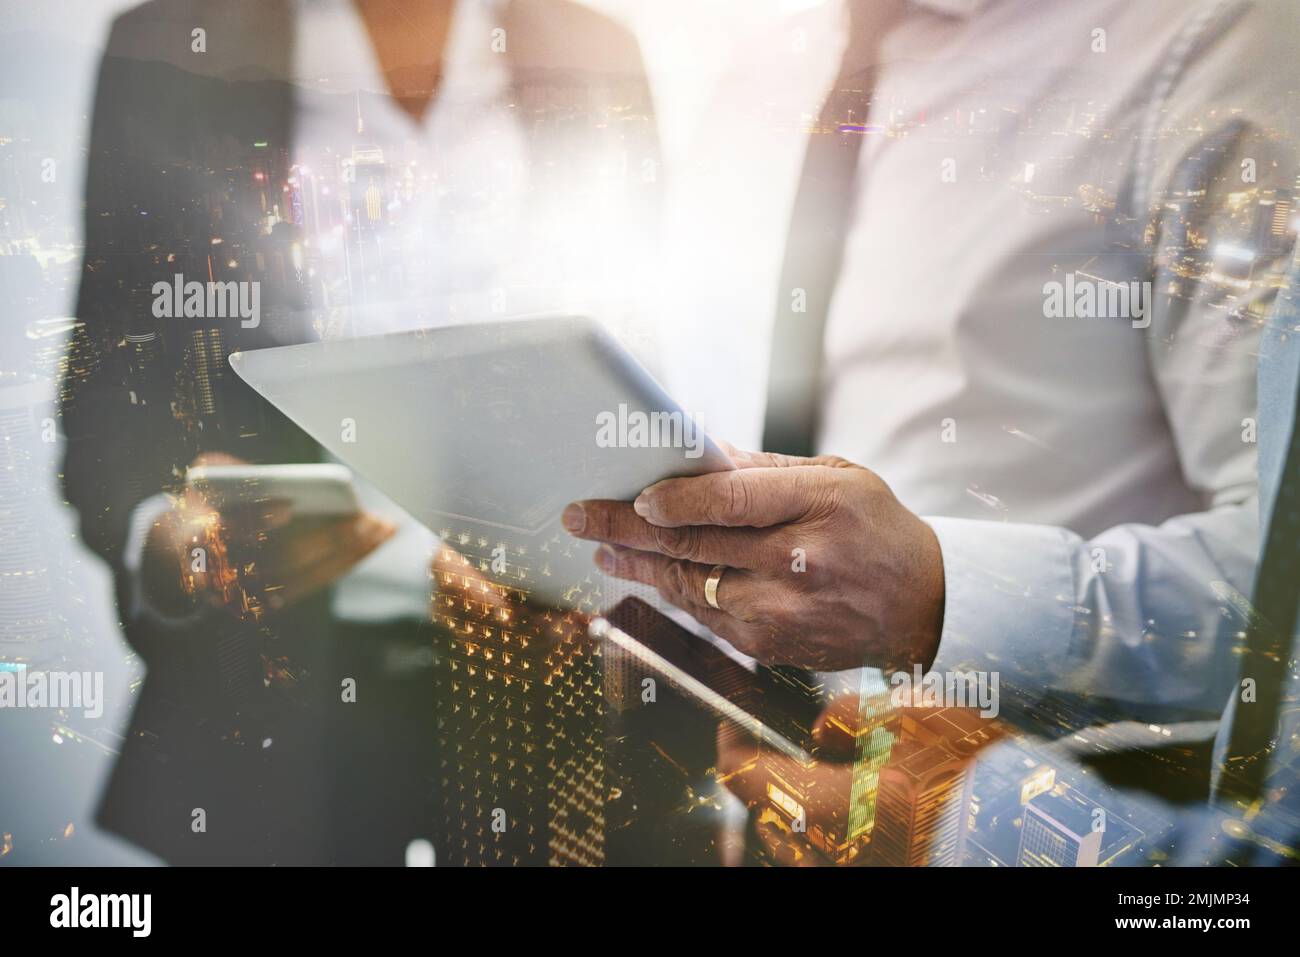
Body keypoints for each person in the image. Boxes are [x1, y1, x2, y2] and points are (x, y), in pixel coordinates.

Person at [568, 0, 1300, 798]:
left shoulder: (1213, 41)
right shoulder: (758, 71)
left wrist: (937, 601)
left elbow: (1276, 598)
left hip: (1061, 825)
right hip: (759, 803)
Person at [63, 0, 658, 864]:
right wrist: (173, 536)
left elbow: (632, 383)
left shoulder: (597, 52)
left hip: (540, 694)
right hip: (274, 705)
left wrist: (584, 559)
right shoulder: (170, 44)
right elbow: (107, 397)